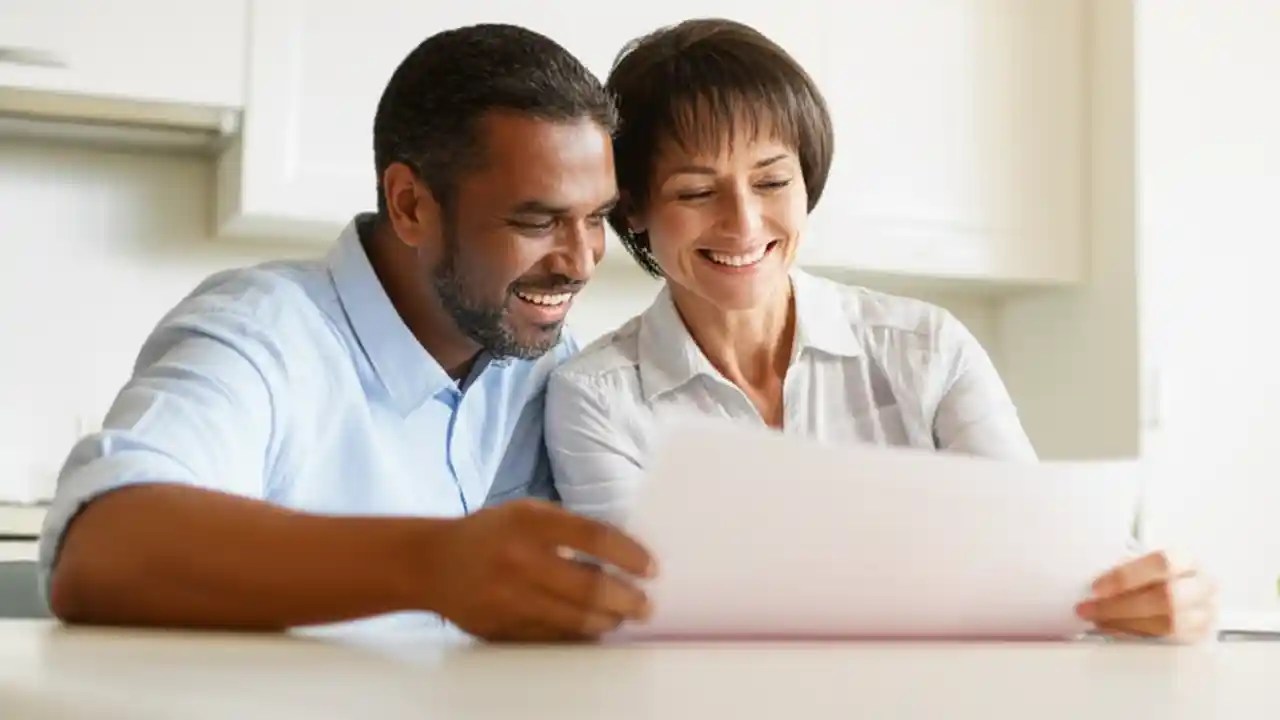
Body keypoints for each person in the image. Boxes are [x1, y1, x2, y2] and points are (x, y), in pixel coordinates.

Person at [545, 18, 1216, 641]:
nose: (744, 224)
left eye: (773, 181)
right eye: (697, 192)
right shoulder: (596, 398)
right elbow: (646, 610)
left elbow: (1037, 556)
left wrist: (1159, 594)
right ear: (631, 207)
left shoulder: (928, 350)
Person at [39, 24, 656, 642]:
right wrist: (435, 562)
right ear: (411, 205)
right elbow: (101, 547)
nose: (579, 261)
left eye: (596, 217)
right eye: (536, 219)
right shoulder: (263, 333)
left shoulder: (547, 369)